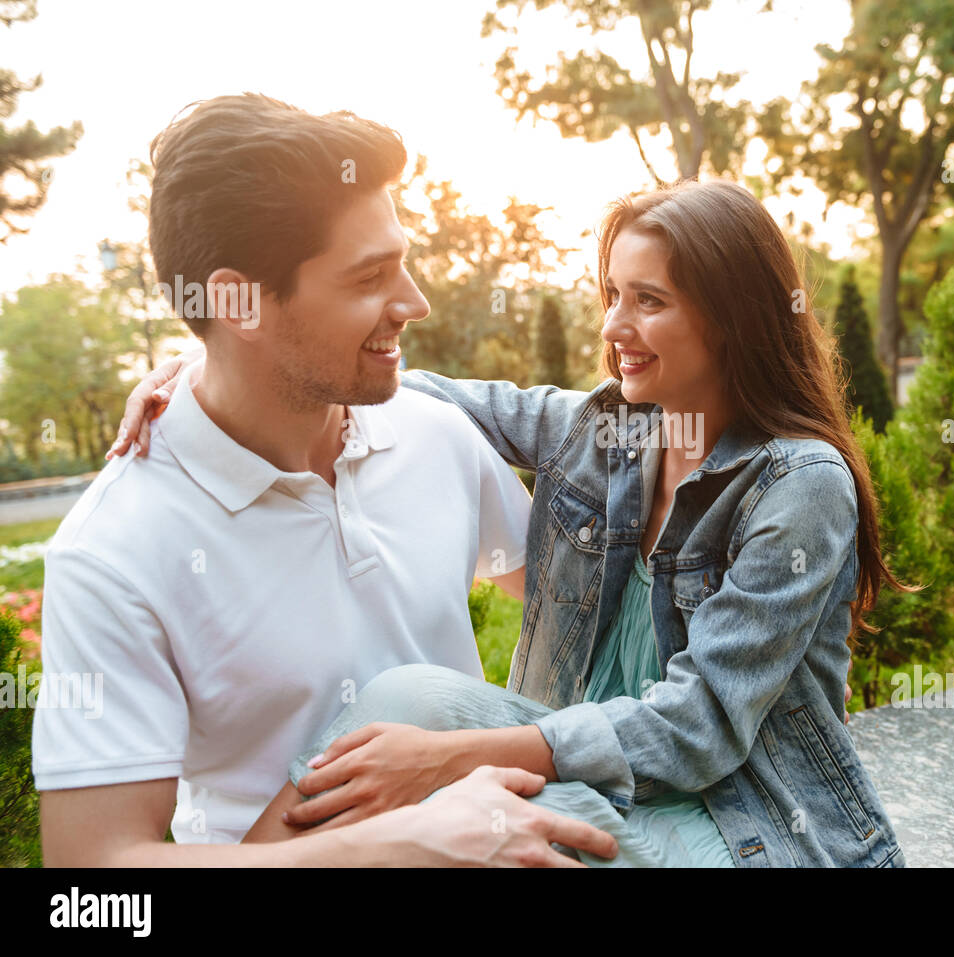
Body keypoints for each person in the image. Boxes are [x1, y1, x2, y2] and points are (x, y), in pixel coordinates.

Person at [113, 177, 910, 867]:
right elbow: (415, 386)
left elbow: (700, 727)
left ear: (731, 318)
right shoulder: (611, 435)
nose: (612, 329)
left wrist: (448, 762)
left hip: (739, 824)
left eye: (649, 301)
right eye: (610, 295)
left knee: (466, 820)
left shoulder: (798, 483)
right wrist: (213, 364)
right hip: (593, 781)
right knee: (406, 696)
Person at [32, 93, 618, 867]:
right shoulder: (115, 549)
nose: (415, 302)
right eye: (371, 276)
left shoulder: (436, 434)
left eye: (402, 263)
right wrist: (404, 842)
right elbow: (96, 880)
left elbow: (583, 618)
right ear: (237, 301)